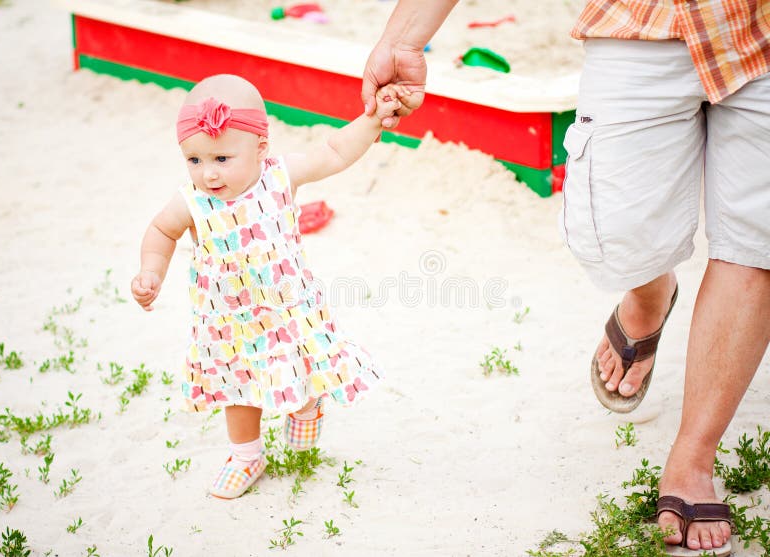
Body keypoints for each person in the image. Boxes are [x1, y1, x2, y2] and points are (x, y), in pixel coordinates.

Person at [362, 1, 770, 555]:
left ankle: (694, 455)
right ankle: (650, 290)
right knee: (619, 235)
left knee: (757, 242)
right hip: (645, 18)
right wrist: (405, 38)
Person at [131, 74, 400, 499]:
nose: (208, 174)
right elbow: (161, 232)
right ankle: (246, 456)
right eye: (194, 160)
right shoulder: (192, 201)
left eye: (221, 159)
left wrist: (372, 122)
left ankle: (308, 403)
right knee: (238, 390)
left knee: (296, 365)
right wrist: (151, 271)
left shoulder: (279, 177)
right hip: (228, 324)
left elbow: (333, 152)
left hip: (286, 311)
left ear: (260, 148)